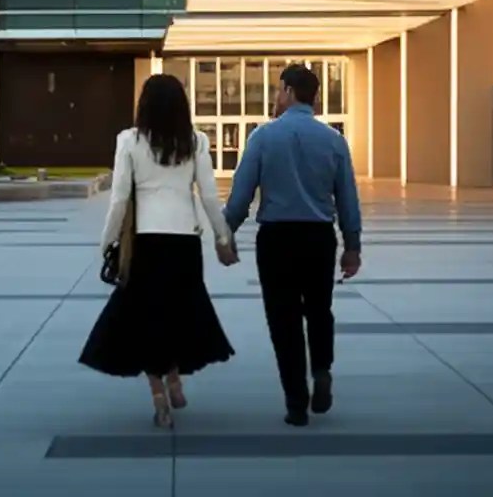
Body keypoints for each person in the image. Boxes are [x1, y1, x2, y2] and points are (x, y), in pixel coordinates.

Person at [79, 74, 237, 428]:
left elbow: (119, 198)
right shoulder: (195, 141)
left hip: (145, 242)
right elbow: (209, 196)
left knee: (143, 318)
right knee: (180, 313)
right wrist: (222, 237)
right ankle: (176, 378)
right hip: (184, 241)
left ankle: (158, 395)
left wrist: (107, 242)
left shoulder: (129, 141)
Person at [222, 64, 362, 427]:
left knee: (282, 319)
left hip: (277, 240)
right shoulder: (334, 140)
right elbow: (348, 198)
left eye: (277, 91)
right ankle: (322, 369)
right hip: (318, 237)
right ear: (315, 96)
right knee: (319, 309)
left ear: (286, 90)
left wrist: (227, 233)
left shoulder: (263, 138)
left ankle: (296, 401)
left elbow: (241, 196)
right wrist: (352, 246)